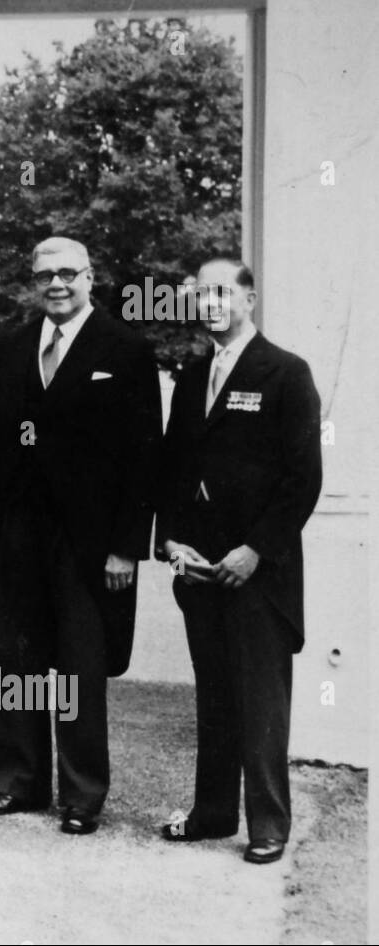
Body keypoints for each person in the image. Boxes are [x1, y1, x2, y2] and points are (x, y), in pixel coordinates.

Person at [0, 237, 161, 835]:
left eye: (67, 274)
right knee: (21, 662)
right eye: (44, 274)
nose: (56, 283)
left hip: (91, 542)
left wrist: (126, 546)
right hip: (20, 535)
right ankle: (18, 781)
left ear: (90, 277)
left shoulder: (126, 350)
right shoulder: (14, 347)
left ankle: (81, 795)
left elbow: (144, 458)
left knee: (80, 668)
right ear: (33, 280)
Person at [157, 258, 322, 865]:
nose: (210, 303)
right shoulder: (193, 372)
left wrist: (254, 551)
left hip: (259, 572)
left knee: (261, 702)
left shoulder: (285, 372)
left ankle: (268, 826)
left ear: (249, 299)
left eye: (222, 292)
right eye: (201, 294)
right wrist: (170, 540)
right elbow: (174, 467)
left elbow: (303, 479)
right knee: (215, 697)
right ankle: (213, 813)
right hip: (200, 569)